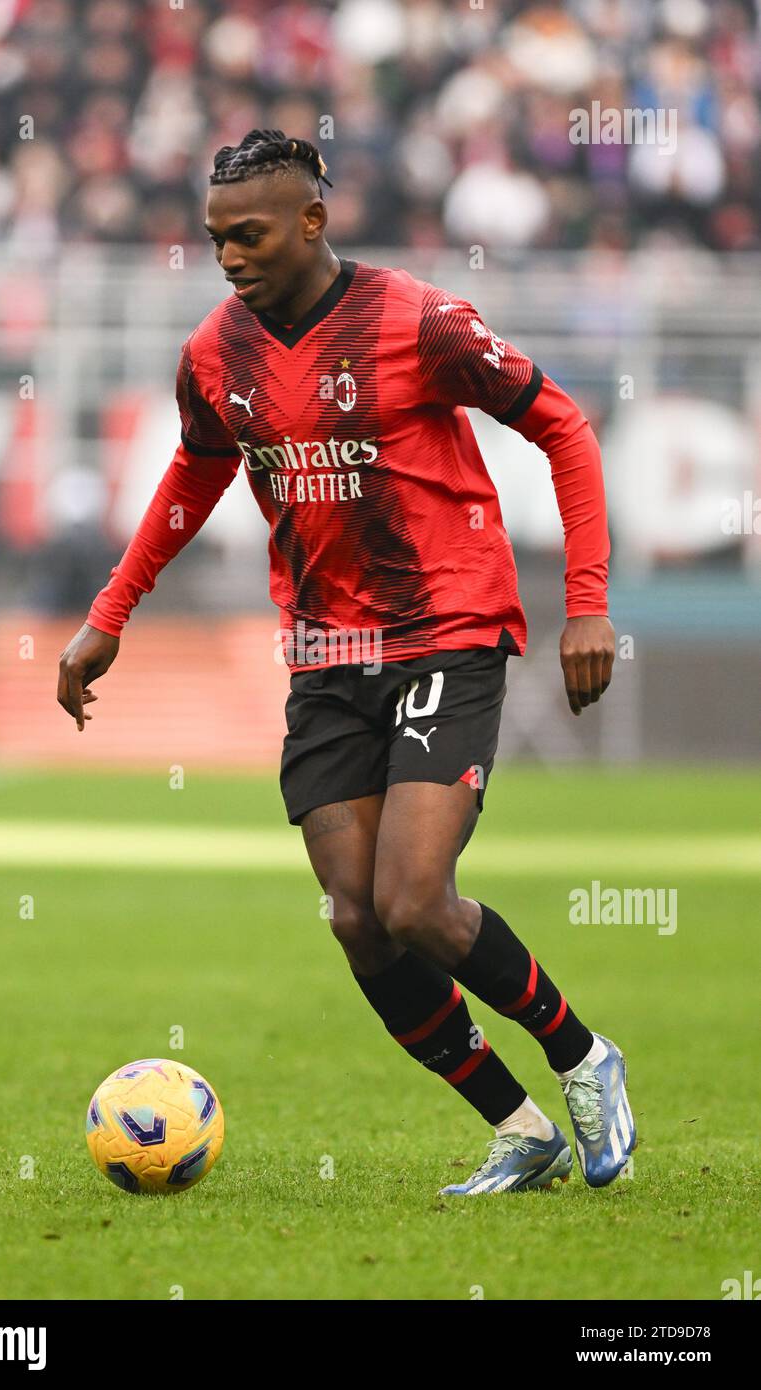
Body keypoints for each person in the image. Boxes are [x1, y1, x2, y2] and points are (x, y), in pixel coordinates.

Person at [58, 129, 635, 1196]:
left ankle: (581, 1056)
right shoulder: (213, 355)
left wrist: (588, 605)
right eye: (215, 237)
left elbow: (562, 425)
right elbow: (196, 469)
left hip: (446, 628)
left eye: (249, 234)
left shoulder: (417, 319)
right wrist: (110, 611)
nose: (228, 254)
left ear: (311, 222)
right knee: (357, 916)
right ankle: (515, 1126)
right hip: (324, 655)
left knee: (415, 898)